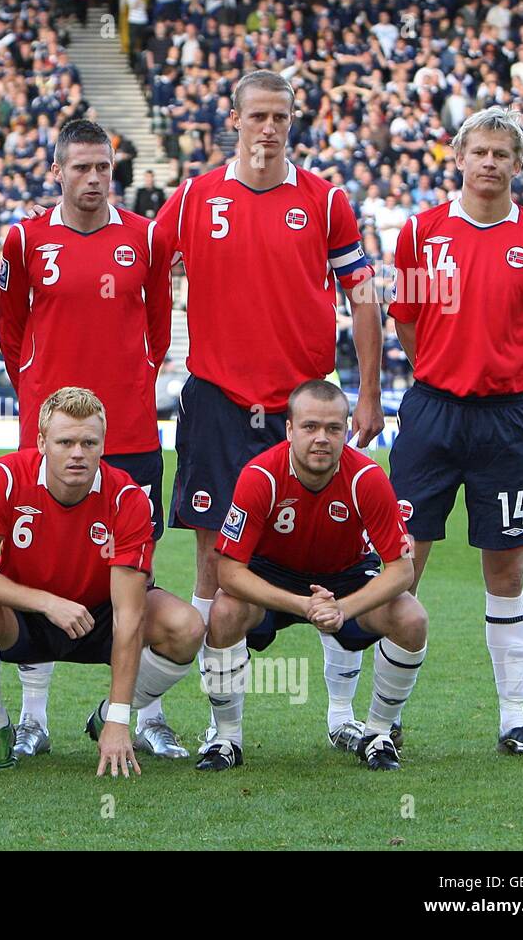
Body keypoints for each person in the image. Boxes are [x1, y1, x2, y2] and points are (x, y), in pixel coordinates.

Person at [156, 70, 385, 751]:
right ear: (234, 119)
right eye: (258, 114)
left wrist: (368, 391)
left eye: (280, 116)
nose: (269, 127)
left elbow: (364, 295)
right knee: (210, 556)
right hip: (218, 400)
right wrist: (144, 364)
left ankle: (340, 717)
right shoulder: (196, 196)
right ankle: (197, 722)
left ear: (293, 120)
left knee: (330, 549)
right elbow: (138, 268)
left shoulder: (324, 199)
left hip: (304, 407)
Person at [388, 106, 523, 759]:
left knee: (507, 565)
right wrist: (438, 370)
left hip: (505, 418)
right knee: (401, 566)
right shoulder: (420, 232)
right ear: (459, 157)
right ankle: (384, 721)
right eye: (480, 152)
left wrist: (515, 371)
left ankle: (512, 717)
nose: (490, 163)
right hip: (431, 412)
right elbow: (407, 321)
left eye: (502, 154)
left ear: (516, 164)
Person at [0, 119, 185, 759]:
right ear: (57, 171)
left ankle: (132, 710)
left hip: (127, 431)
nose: (93, 178)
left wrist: (132, 380)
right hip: (46, 432)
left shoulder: (146, 237)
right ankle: (32, 717)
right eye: (80, 167)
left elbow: (158, 327)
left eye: (103, 166)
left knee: (135, 567)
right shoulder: (24, 240)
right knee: (35, 561)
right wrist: (37, 386)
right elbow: (12, 328)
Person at [0, 387, 204, 775]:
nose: (78, 453)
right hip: (25, 615)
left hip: (99, 614)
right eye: (65, 441)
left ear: (103, 444)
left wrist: (119, 718)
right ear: (41, 442)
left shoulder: (128, 497)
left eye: (89, 442)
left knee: (186, 626)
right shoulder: (9, 476)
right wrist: (47, 602)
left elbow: (130, 615)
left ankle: (104, 717)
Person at [199, 380, 427, 771]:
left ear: (346, 430)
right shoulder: (260, 475)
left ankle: (378, 733)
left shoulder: (367, 477)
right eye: (310, 427)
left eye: (333, 428)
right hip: (274, 576)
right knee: (224, 612)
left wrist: (342, 608)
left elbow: (401, 570)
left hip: (346, 575)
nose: (321, 438)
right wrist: (302, 605)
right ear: (289, 430)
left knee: (411, 618)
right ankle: (226, 737)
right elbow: (228, 570)